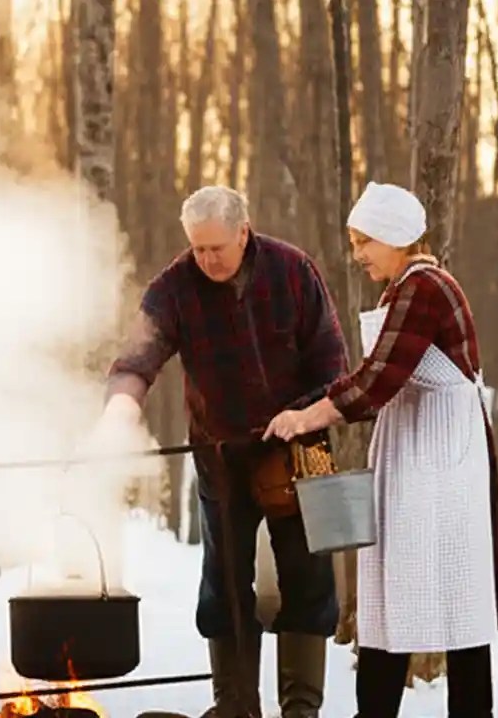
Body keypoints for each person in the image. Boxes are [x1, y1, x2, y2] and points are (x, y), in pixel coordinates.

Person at [98, 185, 349, 718]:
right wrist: (121, 407)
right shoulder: (174, 288)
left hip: (301, 454)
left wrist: (299, 419)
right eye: (198, 248)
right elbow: (135, 360)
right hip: (221, 460)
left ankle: (301, 709)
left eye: (217, 247)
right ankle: (235, 706)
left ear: (243, 231)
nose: (207, 259)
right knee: (224, 588)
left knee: (308, 581)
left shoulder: (293, 272)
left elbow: (333, 368)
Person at [264, 182, 498, 718]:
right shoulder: (403, 287)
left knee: (443, 598)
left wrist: (306, 416)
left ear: (396, 237)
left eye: (364, 242)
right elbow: (378, 382)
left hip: (440, 460)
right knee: (395, 595)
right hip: (416, 450)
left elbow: (376, 381)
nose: (357, 255)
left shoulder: (423, 288)